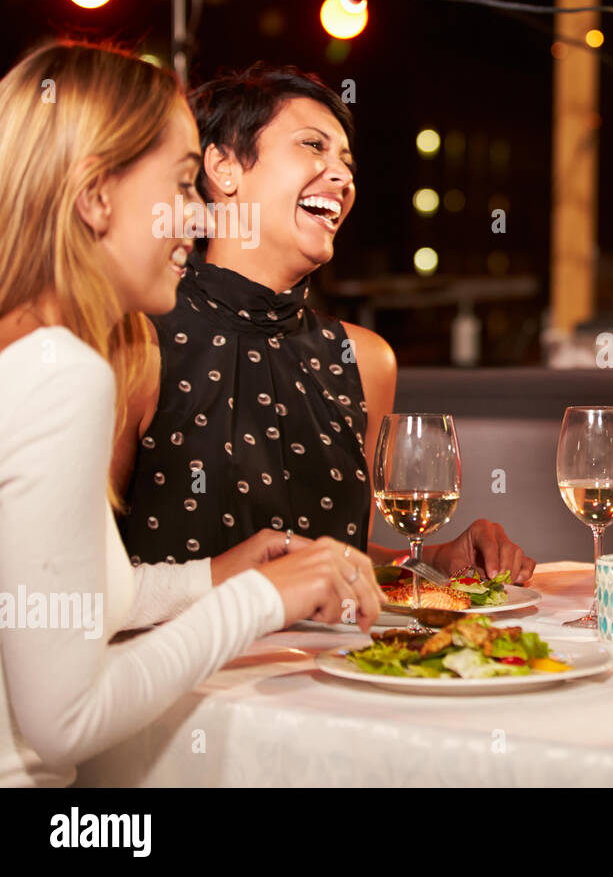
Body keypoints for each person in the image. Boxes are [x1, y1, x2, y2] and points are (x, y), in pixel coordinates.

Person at [0, 41, 384, 786]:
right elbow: (62, 726)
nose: (194, 214)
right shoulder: (72, 374)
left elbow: (54, 592)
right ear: (95, 197)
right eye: (181, 183)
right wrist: (256, 598)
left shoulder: (30, 352)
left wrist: (211, 577)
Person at [112, 64, 534, 584]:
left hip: (333, 666)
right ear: (223, 167)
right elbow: (80, 582)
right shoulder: (136, 339)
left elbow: (334, 563)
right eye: (312, 146)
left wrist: (426, 562)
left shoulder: (367, 360)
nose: (342, 176)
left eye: (346, 161)